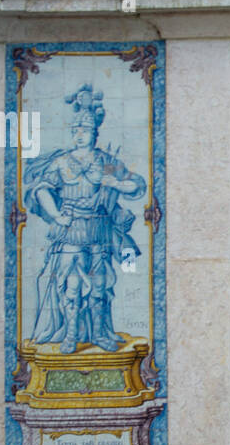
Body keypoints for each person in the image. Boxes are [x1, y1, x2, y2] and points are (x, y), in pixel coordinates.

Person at [24, 85, 145, 354]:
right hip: (72, 230)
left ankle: (101, 334)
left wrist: (113, 181)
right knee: (72, 285)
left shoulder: (106, 161)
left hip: (100, 229)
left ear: (94, 133)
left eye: (86, 131)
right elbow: (40, 189)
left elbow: (136, 186)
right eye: (76, 131)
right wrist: (56, 215)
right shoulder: (62, 162)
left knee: (100, 284)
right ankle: (70, 336)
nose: (80, 136)